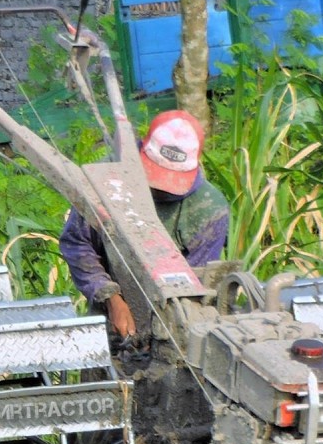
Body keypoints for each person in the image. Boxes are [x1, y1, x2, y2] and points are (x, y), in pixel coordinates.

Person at [59, 110, 229, 340]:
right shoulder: (104, 181)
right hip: (109, 307)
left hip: (175, 322)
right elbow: (78, 243)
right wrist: (110, 297)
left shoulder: (209, 209)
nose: (160, 189)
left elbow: (195, 284)